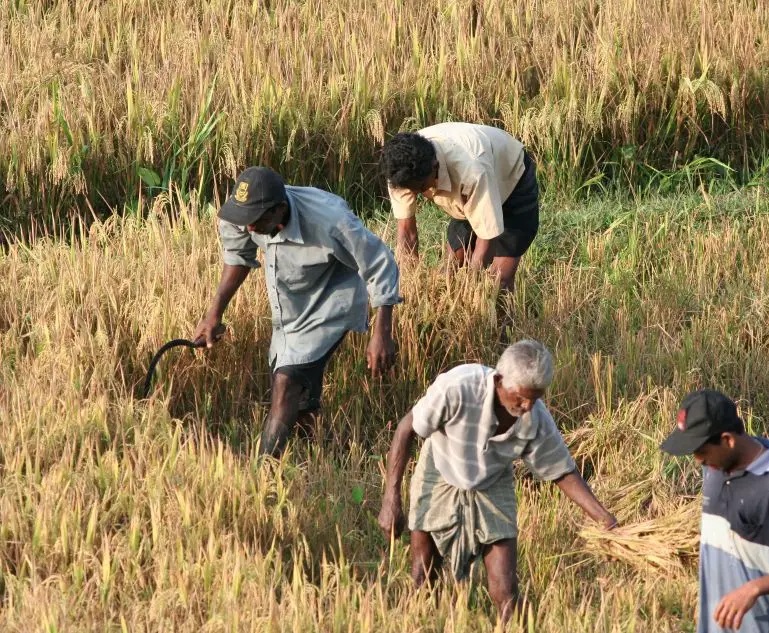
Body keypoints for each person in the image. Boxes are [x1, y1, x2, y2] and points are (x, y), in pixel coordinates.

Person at [377, 339, 617, 624]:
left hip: (492, 481)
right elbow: (406, 430)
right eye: (521, 397)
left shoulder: (535, 418)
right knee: (423, 573)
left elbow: (561, 471)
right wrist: (391, 498)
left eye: (536, 398)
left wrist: (606, 520)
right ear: (500, 380)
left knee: (505, 587)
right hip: (440, 469)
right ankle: (417, 624)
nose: (527, 406)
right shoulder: (458, 387)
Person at [193, 166, 401, 457]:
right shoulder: (244, 212)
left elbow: (381, 264)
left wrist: (382, 333)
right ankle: (318, 456)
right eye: (244, 220)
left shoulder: (331, 220)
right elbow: (239, 258)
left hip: (330, 304)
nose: (249, 228)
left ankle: (263, 468)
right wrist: (214, 314)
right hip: (289, 310)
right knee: (297, 395)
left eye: (255, 220)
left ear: (279, 210)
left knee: (287, 382)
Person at [660, 389, 769, 633]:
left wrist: (754, 588)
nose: (697, 460)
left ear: (728, 440)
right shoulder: (714, 469)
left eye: (701, 451)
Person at [379, 123, 540, 338]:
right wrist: (408, 287)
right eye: (414, 191)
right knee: (449, 271)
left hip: (511, 182)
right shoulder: (400, 171)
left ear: (435, 166)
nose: (421, 194)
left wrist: (468, 296)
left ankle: (501, 341)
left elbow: (487, 238)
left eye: (422, 188)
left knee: (497, 281)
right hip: (466, 198)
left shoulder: (472, 169)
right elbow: (406, 234)